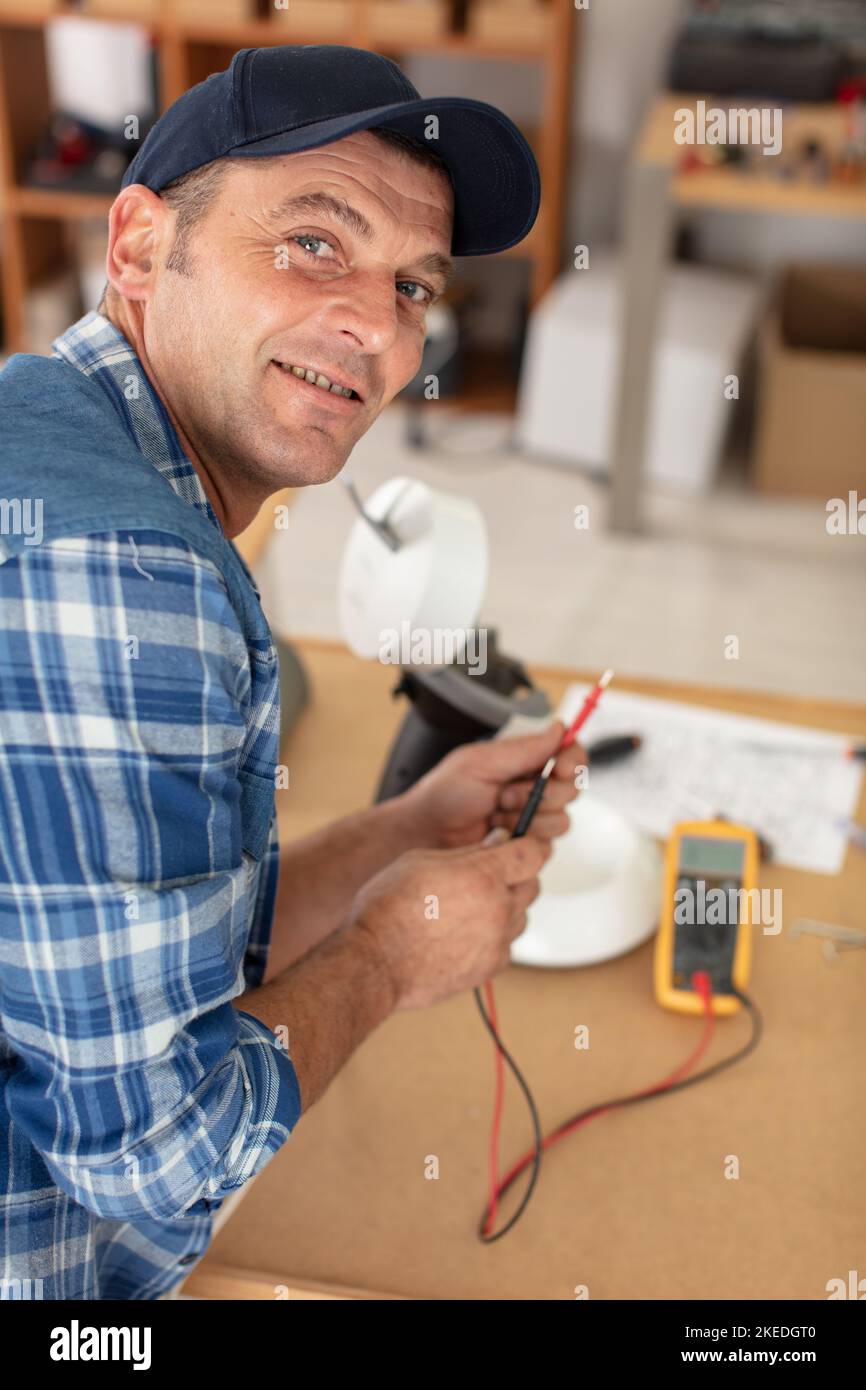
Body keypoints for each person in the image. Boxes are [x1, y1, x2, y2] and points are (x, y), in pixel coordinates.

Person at [0, 44, 584, 1300]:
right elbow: (155, 1156)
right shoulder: (119, 575)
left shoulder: (44, 427)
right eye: (315, 242)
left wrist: (398, 836)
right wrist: (390, 953)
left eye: (414, 283)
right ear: (142, 245)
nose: (377, 328)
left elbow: (153, 940)